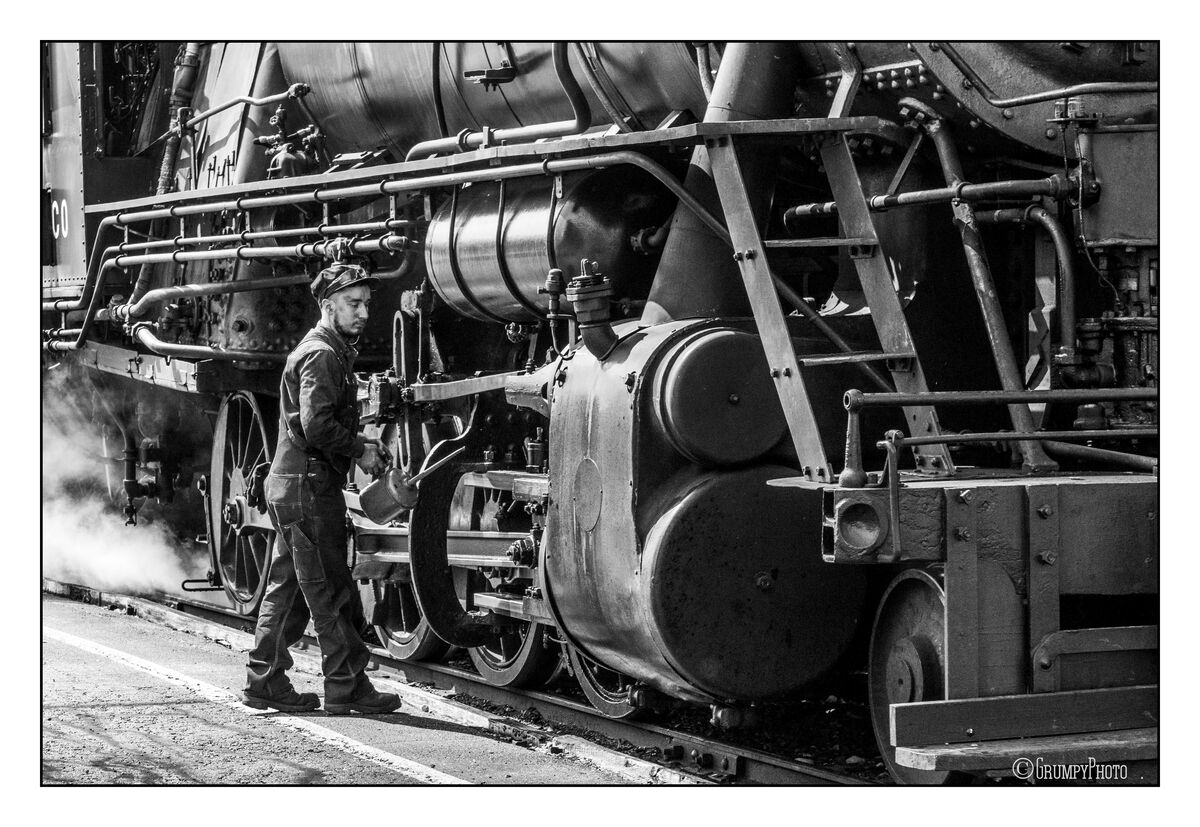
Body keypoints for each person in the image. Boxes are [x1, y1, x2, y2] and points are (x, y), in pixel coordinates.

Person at [243, 262, 402, 715]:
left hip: (295, 487)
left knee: (288, 587)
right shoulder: (322, 354)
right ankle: (346, 685)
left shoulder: (326, 350)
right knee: (331, 589)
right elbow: (316, 427)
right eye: (353, 304)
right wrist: (361, 449)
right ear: (327, 305)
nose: (363, 312)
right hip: (308, 490)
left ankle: (265, 679)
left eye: (367, 303)